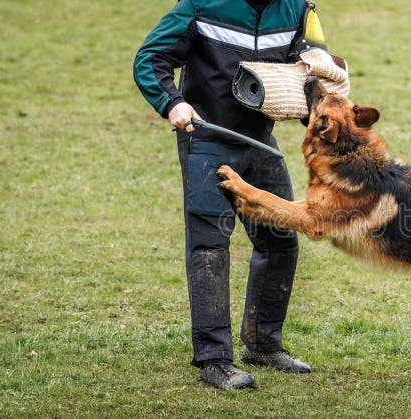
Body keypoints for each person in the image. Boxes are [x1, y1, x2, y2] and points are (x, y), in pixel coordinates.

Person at [133, 0, 326, 390]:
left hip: (259, 142)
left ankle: (263, 345)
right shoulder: (202, 5)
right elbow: (150, 58)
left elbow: (307, 67)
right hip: (206, 139)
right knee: (209, 248)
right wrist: (173, 102)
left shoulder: (294, 9)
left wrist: (321, 95)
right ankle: (214, 359)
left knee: (280, 241)